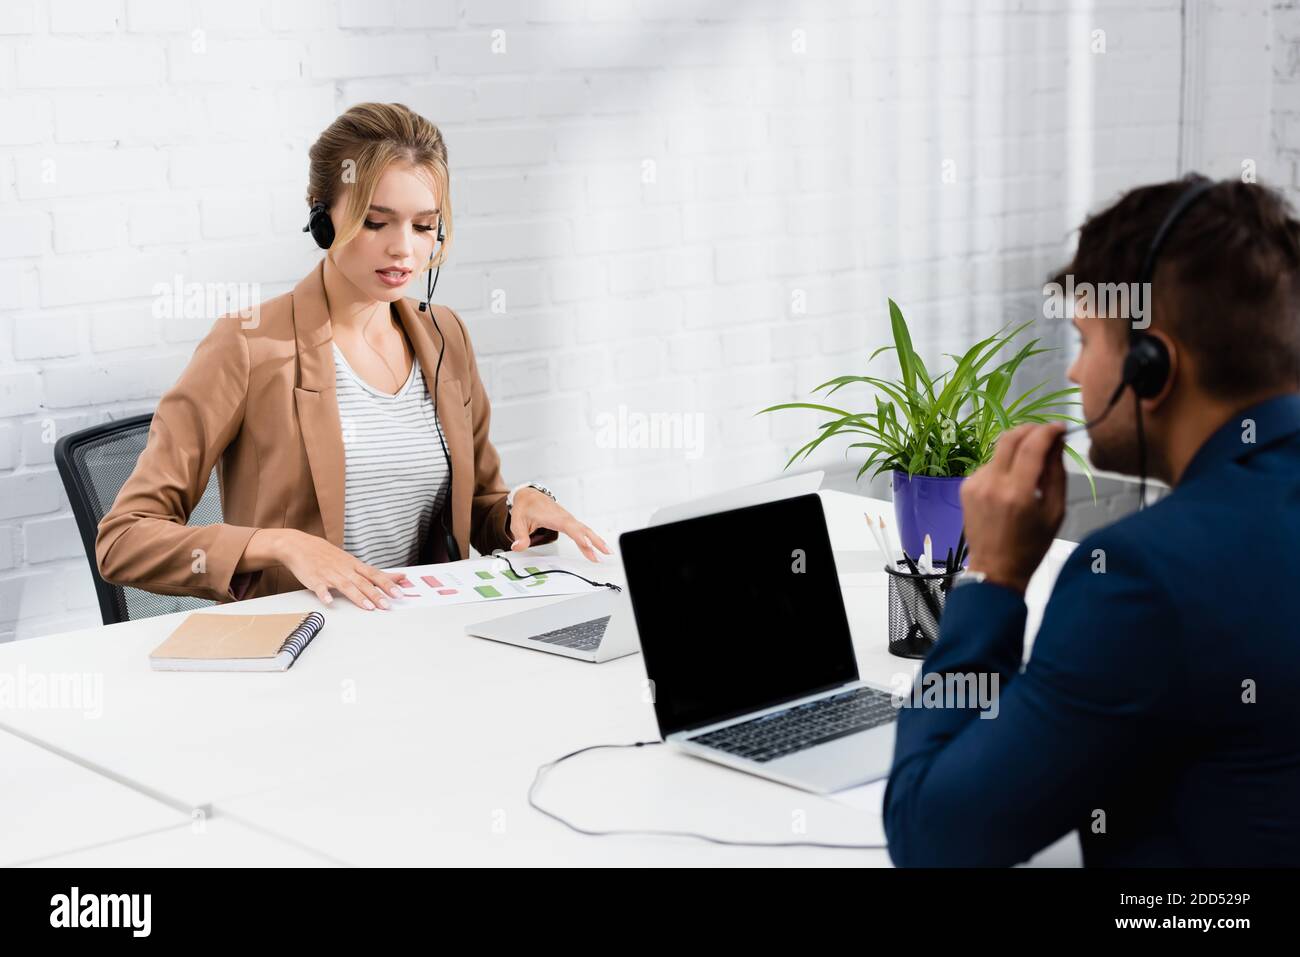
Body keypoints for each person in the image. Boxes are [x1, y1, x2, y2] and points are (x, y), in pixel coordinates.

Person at [883, 176, 1300, 866]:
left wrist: (991, 574)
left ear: (1152, 363)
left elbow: (932, 837)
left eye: (1084, 340)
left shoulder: (1145, 577)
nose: (1074, 374)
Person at [97, 103, 609, 611]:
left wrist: (519, 506)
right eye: (375, 222)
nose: (402, 250)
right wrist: (278, 544)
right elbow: (124, 540)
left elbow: (475, 509)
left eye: (423, 226)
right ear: (321, 216)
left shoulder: (444, 335)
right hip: (310, 648)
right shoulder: (248, 345)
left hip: (428, 636)